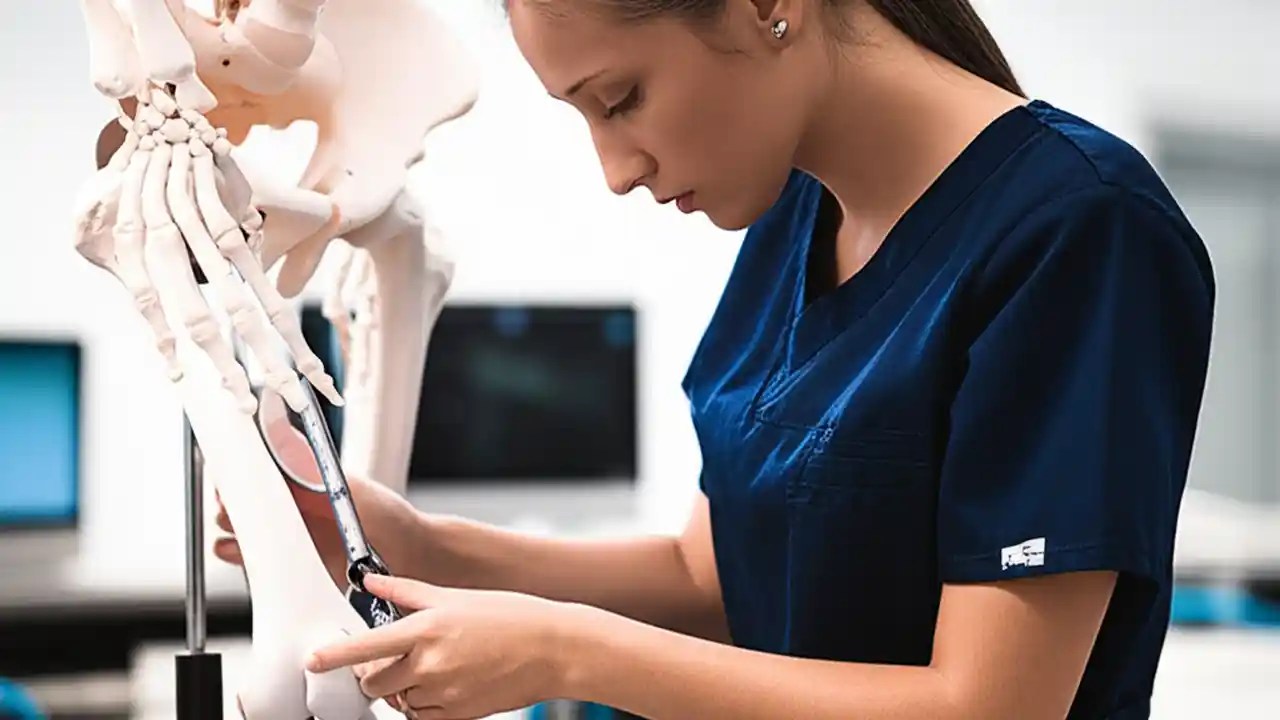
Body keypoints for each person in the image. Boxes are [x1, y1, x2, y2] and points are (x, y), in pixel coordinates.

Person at [215, 1, 1216, 718]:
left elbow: (989, 707)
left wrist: (565, 653)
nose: (614, 172)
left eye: (619, 100)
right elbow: (712, 580)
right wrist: (421, 544)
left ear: (768, 10)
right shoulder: (792, 218)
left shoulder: (1077, 229)